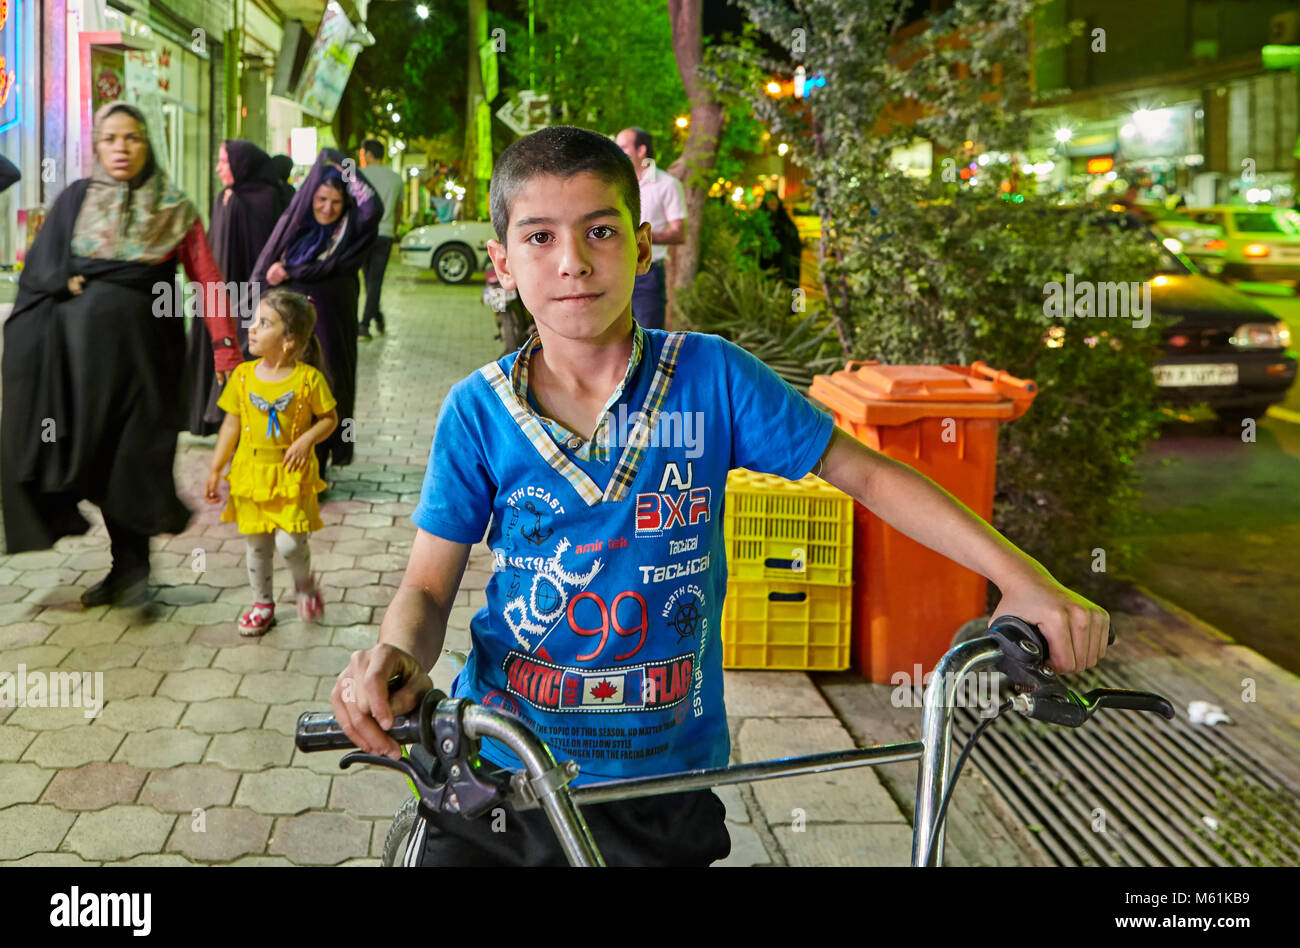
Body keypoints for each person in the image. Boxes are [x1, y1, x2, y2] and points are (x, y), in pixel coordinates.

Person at [329, 125, 1113, 867]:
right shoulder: (477, 410)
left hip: (662, 785)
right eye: (540, 237)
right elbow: (428, 589)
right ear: (502, 262)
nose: (572, 261)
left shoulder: (714, 379)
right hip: (498, 769)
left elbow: (868, 473)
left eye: (601, 231)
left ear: (642, 248)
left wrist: (1022, 580)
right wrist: (397, 653)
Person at [0, 102, 243, 606]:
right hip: (79, 369)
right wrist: (59, 281)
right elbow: (40, 266)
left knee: (137, 460)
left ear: (147, 143)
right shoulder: (74, 201)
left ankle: (135, 570)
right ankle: (123, 567)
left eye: (131, 138)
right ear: (97, 145)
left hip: (149, 366)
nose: (121, 148)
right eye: (110, 138)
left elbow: (208, 282)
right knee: (96, 459)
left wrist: (227, 356)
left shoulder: (175, 208)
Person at [205, 289, 338, 636]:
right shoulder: (242, 376)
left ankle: (304, 585)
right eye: (253, 321)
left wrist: (307, 438)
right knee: (258, 545)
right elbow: (231, 425)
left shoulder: (309, 379)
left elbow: (329, 418)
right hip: (251, 474)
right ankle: (262, 603)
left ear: (289, 339)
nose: (251, 329)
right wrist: (216, 468)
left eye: (264, 323)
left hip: (291, 475)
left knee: (290, 543)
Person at [251, 148, 380, 478]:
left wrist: (341, 160)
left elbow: (372, 204)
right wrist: (278, 274)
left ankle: (317, 464)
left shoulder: (351, 232)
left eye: (335, 202)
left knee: (328, 386)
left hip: (333, 322)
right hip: (294, 327)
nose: (327, 208)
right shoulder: (296, 230)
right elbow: (267, 271)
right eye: (321, 199)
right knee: (291, 386)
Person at [186, 140, 295, 436]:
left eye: (225, 161)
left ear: (242, 164)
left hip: (251, 297)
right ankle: (219, 422)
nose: (219, 167)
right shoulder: (227, 197)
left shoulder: (262, 199)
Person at [615, 127, 685, 330]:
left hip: (647, 274)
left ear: (641, 150)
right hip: (614, 271)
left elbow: (680, 233)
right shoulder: (615, 184)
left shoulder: (667, 184)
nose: (618, 152)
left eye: (623, 147)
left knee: (649, 338)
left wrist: (637, 237)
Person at [357, 139, 403, 341]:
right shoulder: (395, 178)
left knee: (368, 281)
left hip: (362, 234)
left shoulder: (359, 175)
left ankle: (364, 325)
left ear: (367, 154)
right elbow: (399, 208)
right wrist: (393, 228)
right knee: (373, 281)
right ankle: (376, 315)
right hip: (384, 233)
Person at [756, 192, 803, 289]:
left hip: (785, 267)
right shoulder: (759, 221)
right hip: (766, 267)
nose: (772, 202)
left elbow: (795, 242)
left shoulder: (785, 221)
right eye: (769, 200)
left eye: (774, 199)